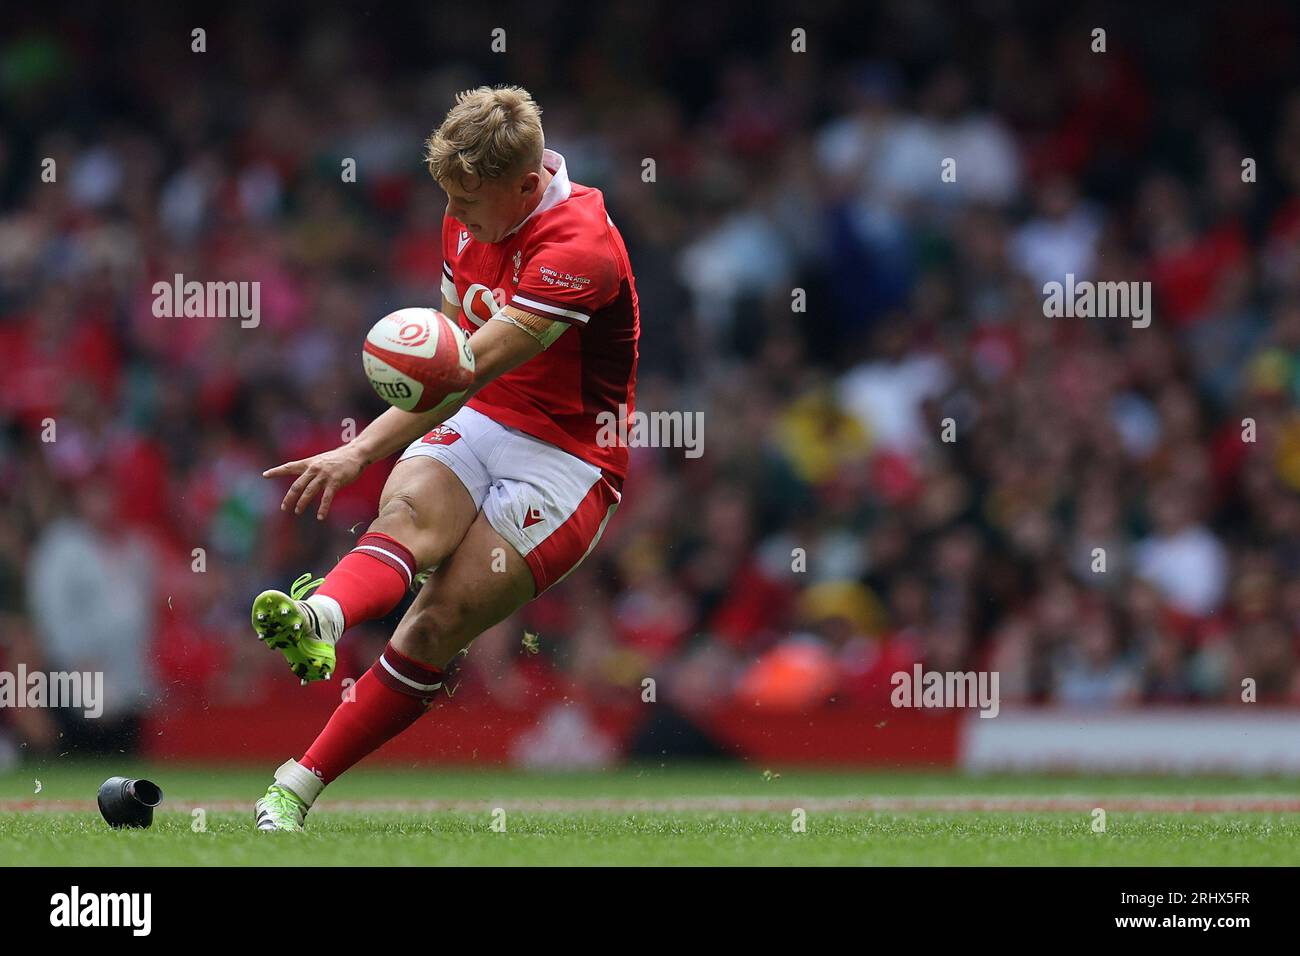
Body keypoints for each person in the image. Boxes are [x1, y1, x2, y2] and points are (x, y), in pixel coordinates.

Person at [251, 86, 640, 831]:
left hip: (567, 461)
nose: (456, 216)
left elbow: (461, 365)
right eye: (449, 198)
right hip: (485, 416)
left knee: (434, 624)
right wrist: (357, 453)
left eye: (469, 200)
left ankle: (295, 787)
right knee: (408, 515)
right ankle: (322, 616)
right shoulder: (466, 215)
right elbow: (456, 378)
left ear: (526, 186)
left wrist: (372, 435)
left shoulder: (579, 248)